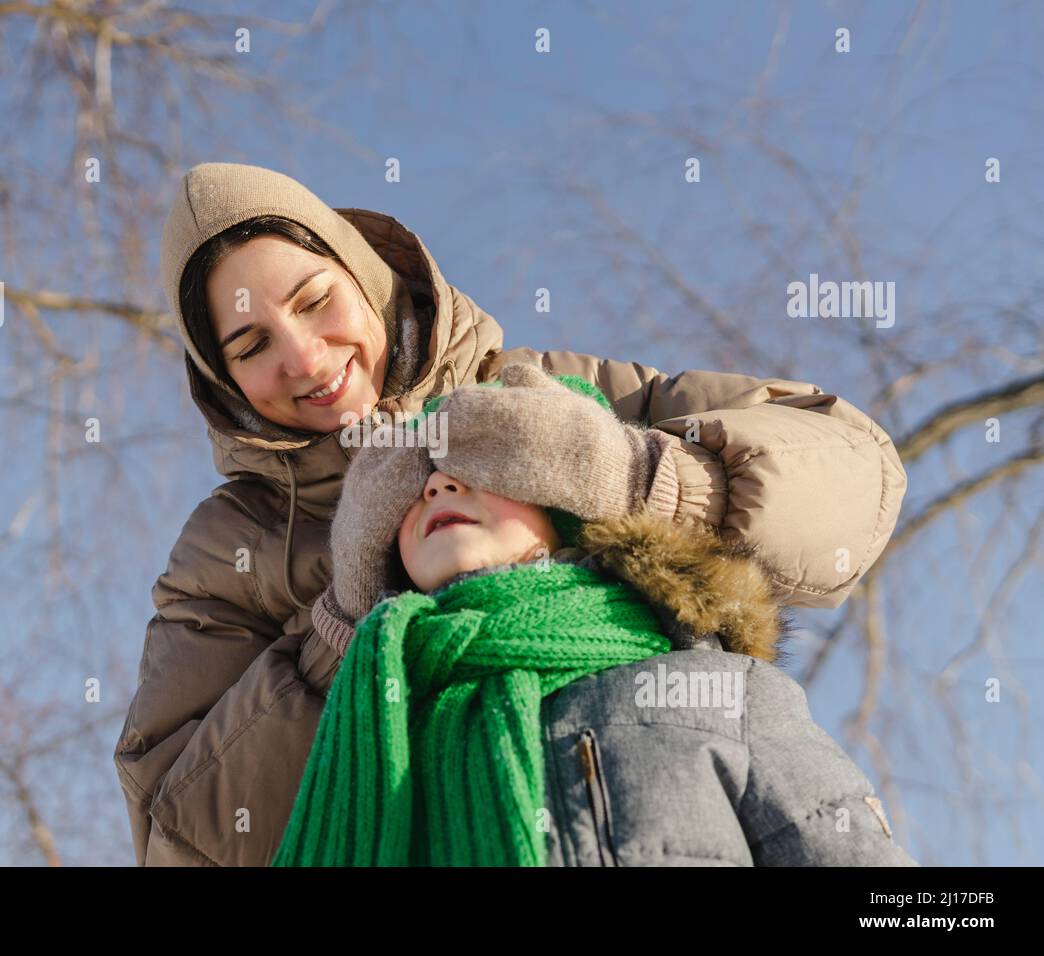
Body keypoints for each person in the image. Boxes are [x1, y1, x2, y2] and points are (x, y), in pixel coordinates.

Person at [114, 161, 908, 866]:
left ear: (367, 280)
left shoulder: (553, 388)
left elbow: (855, 472)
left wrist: (651, 480)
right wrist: (347, 632)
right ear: (224, 384)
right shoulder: (226, 553)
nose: (305, 359)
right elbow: (179, 836)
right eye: (251, 345)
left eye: (315, 299)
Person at [272, 366, 918, 866]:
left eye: (478, 470)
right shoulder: (372, 727)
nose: (437, 487)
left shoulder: (711, 690)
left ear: (566, 508)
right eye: (409, 492)